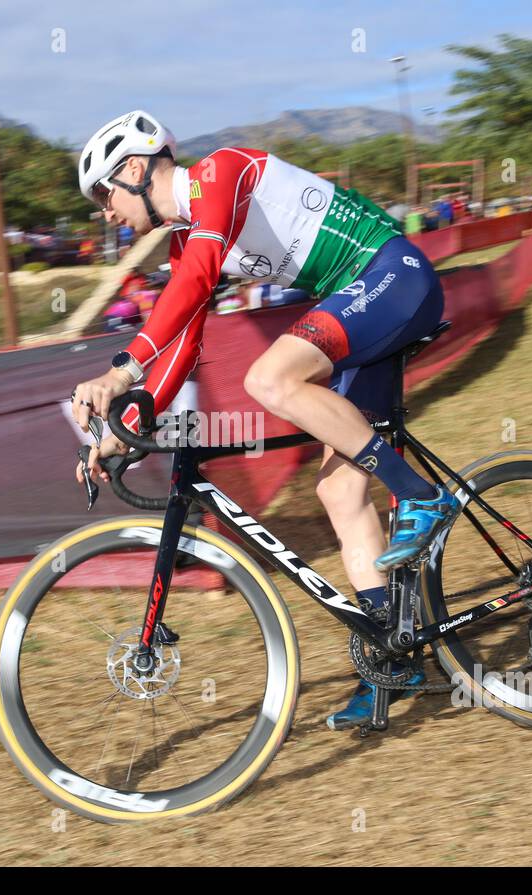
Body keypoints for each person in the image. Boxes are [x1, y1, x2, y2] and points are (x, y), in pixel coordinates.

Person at [69, 110, 457, 731]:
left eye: (104, 194)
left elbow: (195, 281)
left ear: (136, 169)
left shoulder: (222, 173)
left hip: (390, 276)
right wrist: (125, 427)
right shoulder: (185, 239)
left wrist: (119, 370)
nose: (105, 213)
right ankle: (392, 658)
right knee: (337, 488)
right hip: (357, 303)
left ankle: (422, 496)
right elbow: (184, 344)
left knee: (270, 378)